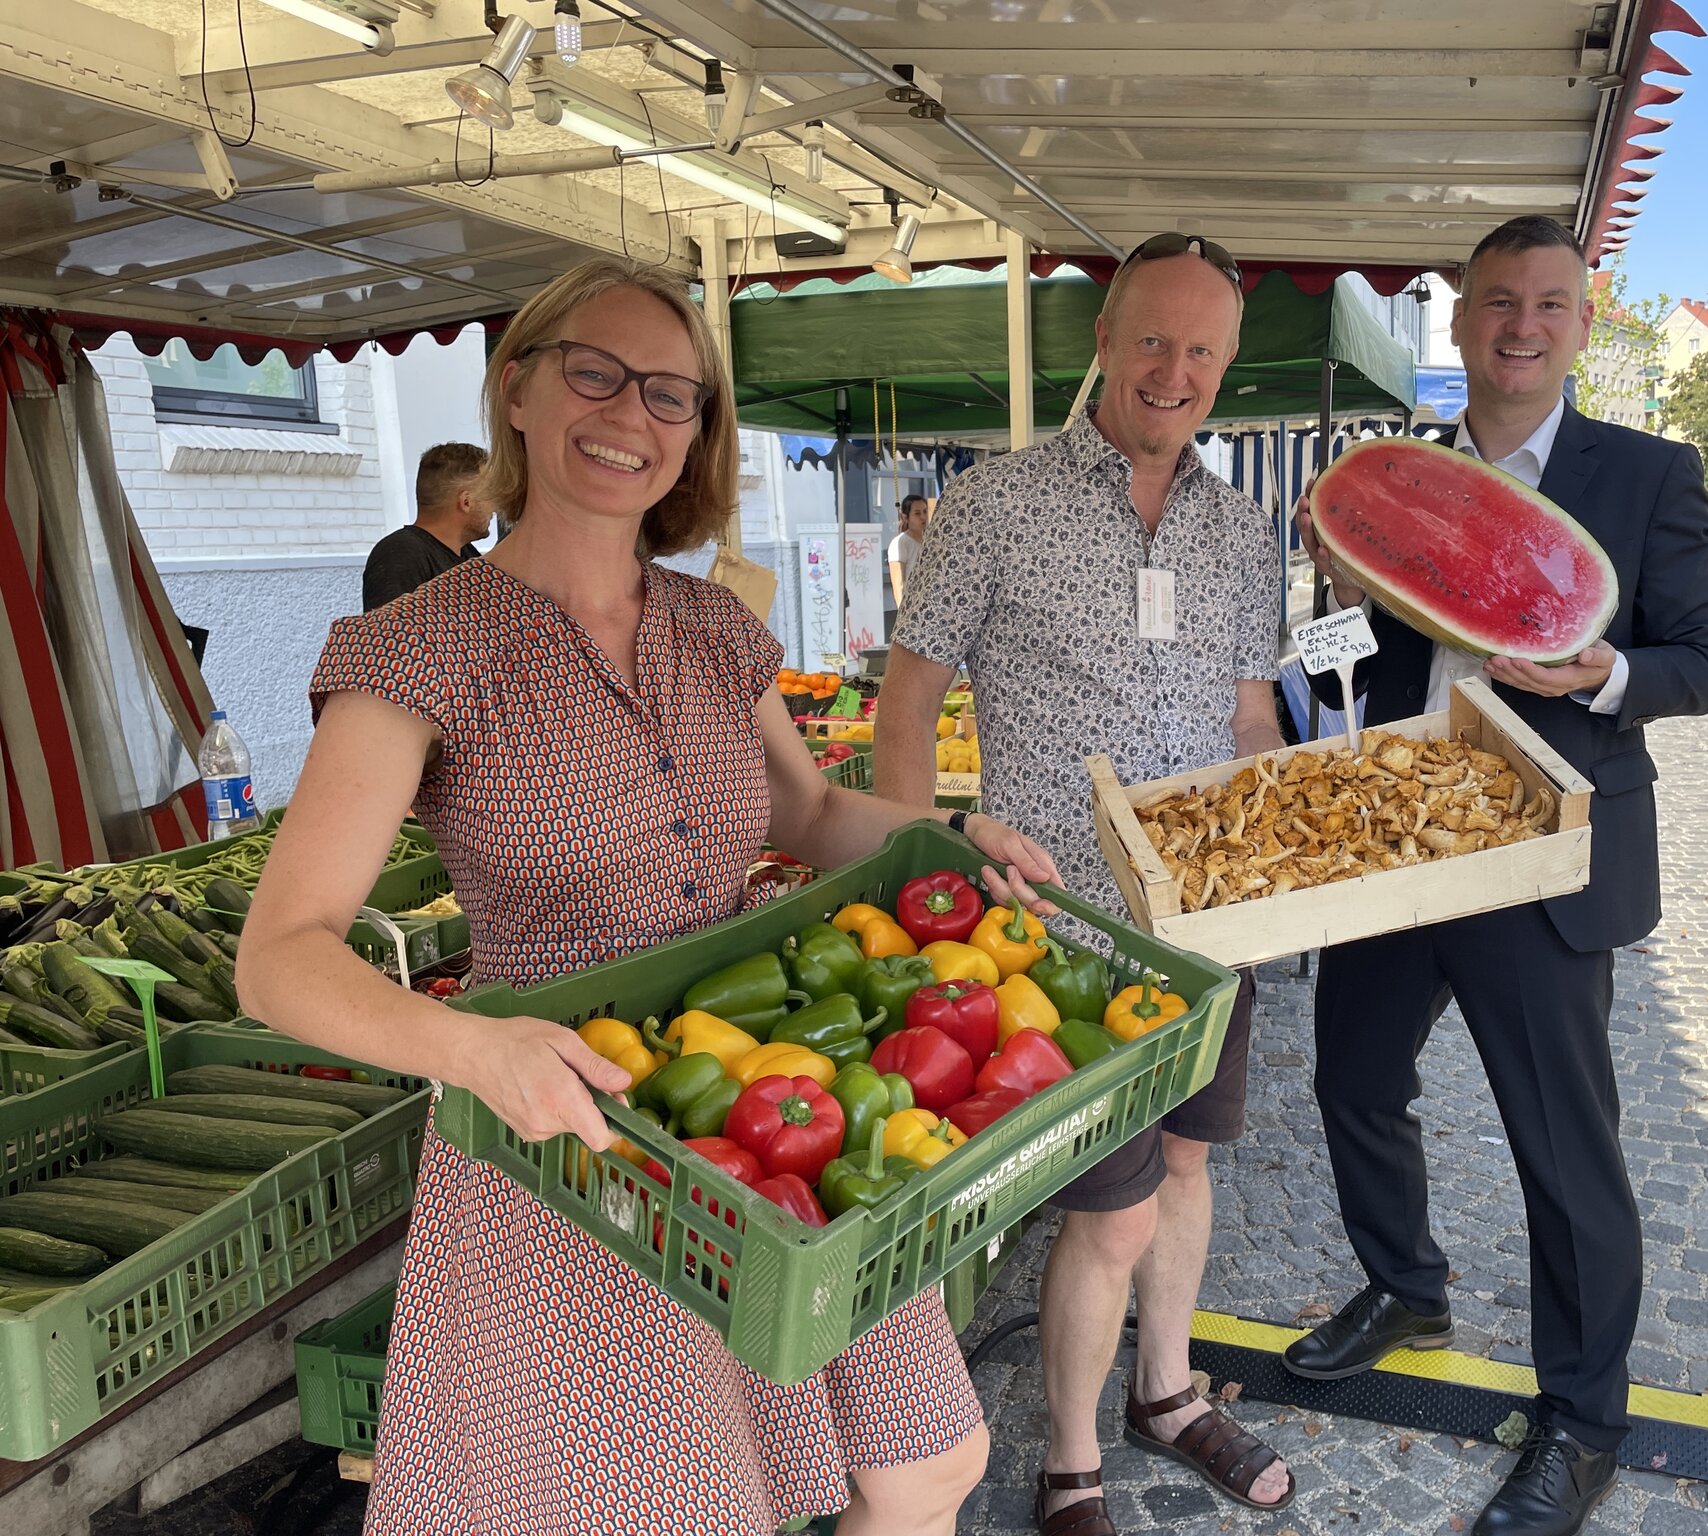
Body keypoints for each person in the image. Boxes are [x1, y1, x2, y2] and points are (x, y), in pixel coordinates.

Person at [237, 257, 1064, 1536]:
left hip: (756, 1100)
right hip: (568, 1141)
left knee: (931, 1464)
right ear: (518, 390)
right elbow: (280, 954)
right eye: (595, 373)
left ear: (696, 432)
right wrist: (473, 1051)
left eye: (670, 393)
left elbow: (808, 815)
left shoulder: (712, 629)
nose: (630, 413)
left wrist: (951, 834)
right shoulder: (417, 647)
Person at [1289, 215, 1708, 1536]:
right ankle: (1404, 1284)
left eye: (1548, 302)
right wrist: (1330, 590)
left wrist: (1601, 672)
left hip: (1543, 855)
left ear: (1582, 325)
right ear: (1462, 318)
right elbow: (1349, 660)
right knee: (1352, 1080)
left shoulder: (1647, 475)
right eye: (1496, 301)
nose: (1520, 325)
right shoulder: (1397, 477)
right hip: (1399, 836)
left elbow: (1705, 663)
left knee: (1562, 1150)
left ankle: (1582, 1422)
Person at [873, 233, 1293, 1536]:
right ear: (1103, 344)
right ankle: (1068, 1459)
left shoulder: (1240, 530)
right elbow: (907, 702)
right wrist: (909, 870)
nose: (1174, 370)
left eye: (1201, 349)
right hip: (1062, 932)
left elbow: (1250, 719)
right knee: (1107, 1215)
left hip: (1208, 923)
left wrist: (1296, 839)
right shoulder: (996, 503)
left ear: (1226, 365)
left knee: (1188, 1167)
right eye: (1152, 339)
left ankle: (1165, 1393)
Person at [361, 441, 492, 609]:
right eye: (490, 494)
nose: (495, 507)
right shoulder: (399, 554)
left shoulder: (468, 554)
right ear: (466, 502)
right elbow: (390, 624)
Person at [888, 492, 929, 607]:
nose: (923, 517)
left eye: (925, 511)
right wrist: (903, 611)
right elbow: (898, 583)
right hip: (912, 606)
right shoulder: (900, 542)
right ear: (905, 517)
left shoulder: (931, 540)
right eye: (917, 513)